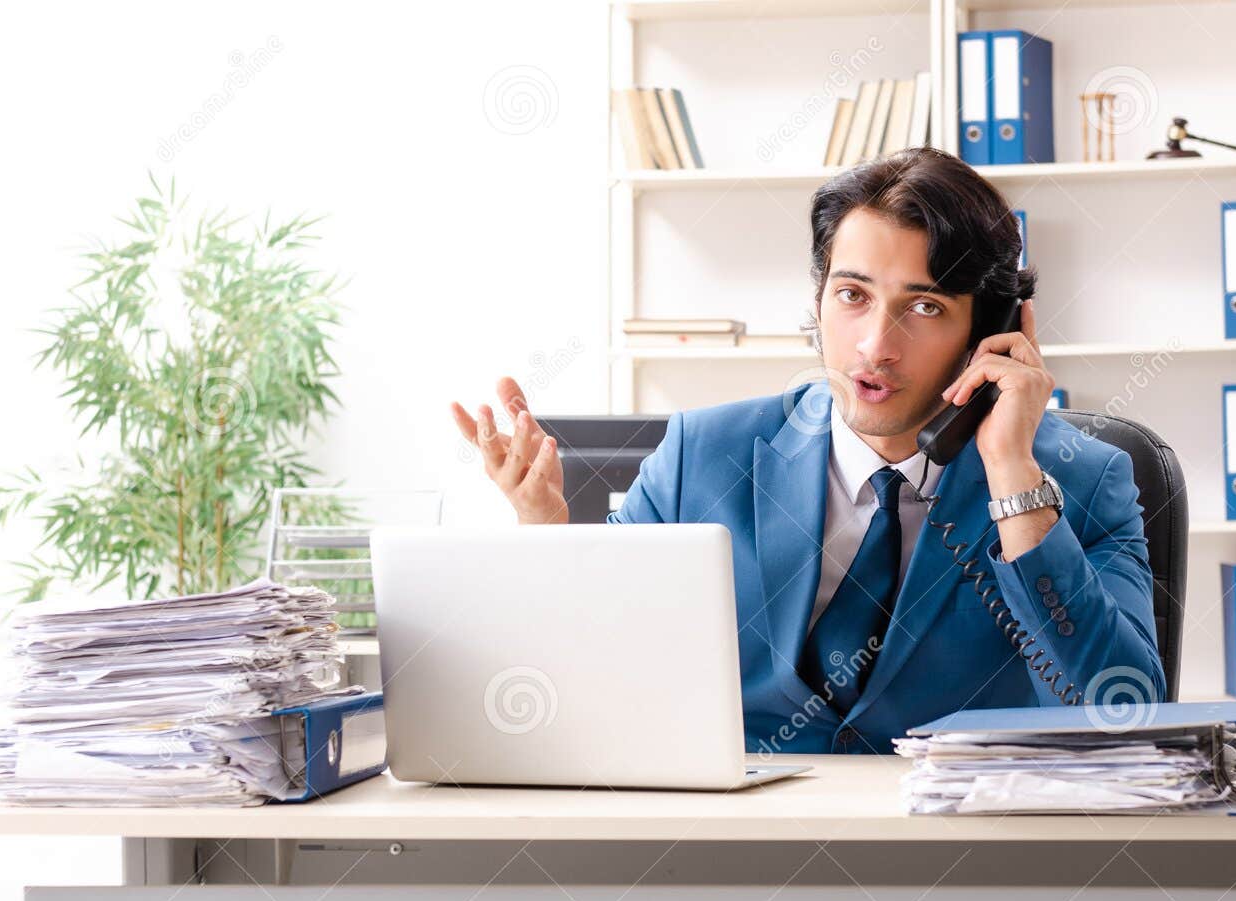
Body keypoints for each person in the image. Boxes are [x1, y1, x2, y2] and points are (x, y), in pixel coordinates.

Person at [451, 147, 1164, 755]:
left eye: (925, 308)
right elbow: (587, 680)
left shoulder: (1083, 479)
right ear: (817, 298)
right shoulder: (702, 455)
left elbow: (1120, 720)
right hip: (732, 862)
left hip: (961, 866)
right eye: (852, 295)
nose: (874, 347)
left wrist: (1011, 477)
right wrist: (543, 538)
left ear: (994, 331)